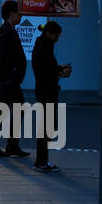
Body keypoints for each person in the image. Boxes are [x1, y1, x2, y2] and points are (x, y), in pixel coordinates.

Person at [0, 0, 29, 159]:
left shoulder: (8, 29)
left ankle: (9, 145)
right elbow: (3, 55)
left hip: (8, 79)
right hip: (7, 80)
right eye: (19, 12)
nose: (21, 14)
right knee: (6, 110)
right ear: (11, 14)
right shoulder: (6, 31)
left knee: (8, 110)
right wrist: (13, 72)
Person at [31, 21, 70, 173]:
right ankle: (41, 161)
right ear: (49, 33)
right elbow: (46, 71)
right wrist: (60, 72)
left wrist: (59, 68)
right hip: (47, 90)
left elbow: (47, 68)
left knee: (48, 125)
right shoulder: (45, 47)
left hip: (45, 89)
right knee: (47, 126)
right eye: (56, 36)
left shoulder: (42, 45)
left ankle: (42, 160)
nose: (57, 39)